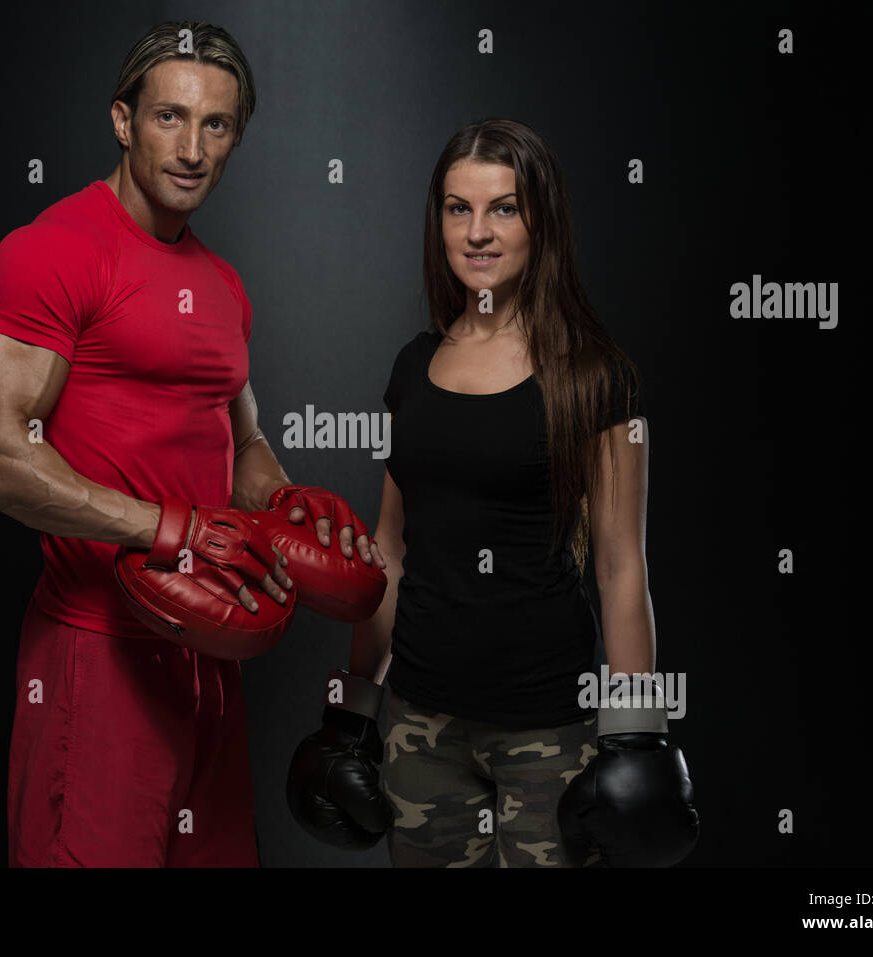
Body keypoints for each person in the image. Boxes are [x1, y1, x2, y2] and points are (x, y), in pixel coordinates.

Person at [0, 20, 383, 868]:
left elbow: (241, 432)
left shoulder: (222, 285)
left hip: (210, 654)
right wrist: (166, 527)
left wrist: (281, 499)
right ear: (122, 120)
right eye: (169, 118)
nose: (192, 148)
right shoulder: (53, 252)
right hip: (96, 654)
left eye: (216, 125)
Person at [288, 118, 695, 866]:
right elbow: (390, 554)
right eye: (457, 208)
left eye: (502, 207)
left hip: (550, 730)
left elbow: (620, 567)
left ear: (541, 220)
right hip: (421, 728)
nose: (477, 231)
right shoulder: (414, 368)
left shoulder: (595, 376)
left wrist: (635, 734)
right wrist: (351, 715)